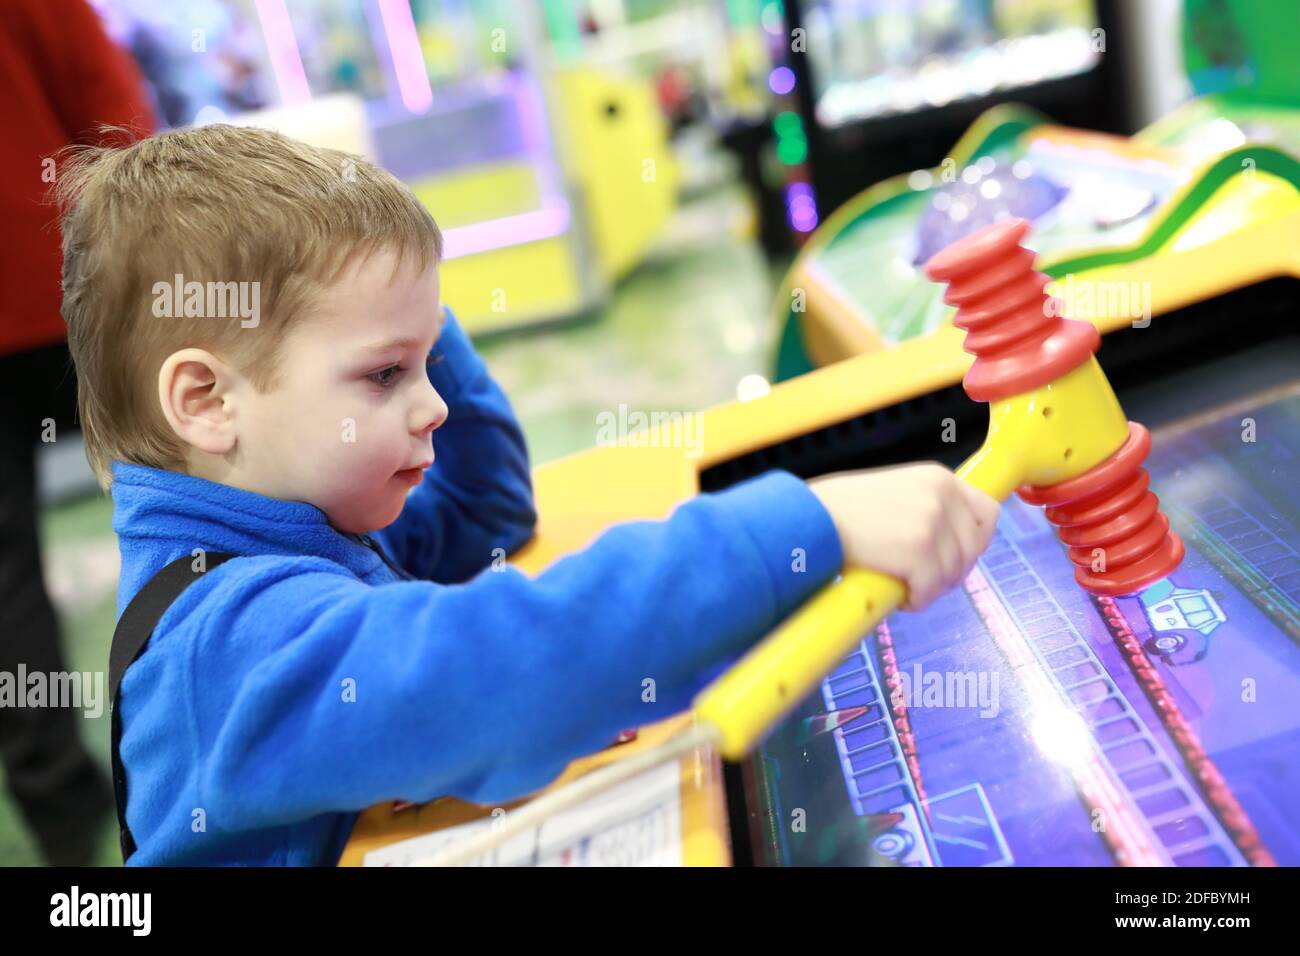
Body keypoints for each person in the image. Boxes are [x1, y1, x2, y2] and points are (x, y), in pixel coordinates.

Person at [56, 123, 999, 865]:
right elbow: (498, 672)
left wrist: (403, 316)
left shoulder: (300, 527)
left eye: (429, 364)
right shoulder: (226, 640)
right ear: (207, 401)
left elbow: (486, 517)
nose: (433, 406)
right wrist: (804, 526)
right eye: (384, 375)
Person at [0, 0, 155, 865]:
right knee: (188, 488)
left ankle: (60, 809)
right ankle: (228, 730)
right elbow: (109, 108)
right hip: (74, 271)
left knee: (2, 575)